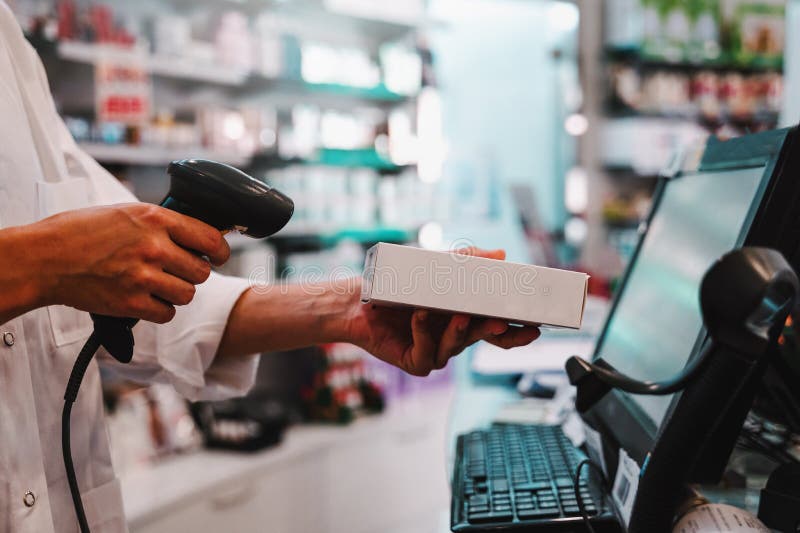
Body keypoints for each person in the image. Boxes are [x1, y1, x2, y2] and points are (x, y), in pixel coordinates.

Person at [0, 3, 541, 532]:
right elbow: (74, 265)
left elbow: (153, 304)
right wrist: (44, 262)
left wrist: (353, 307)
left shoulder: (11, 47)